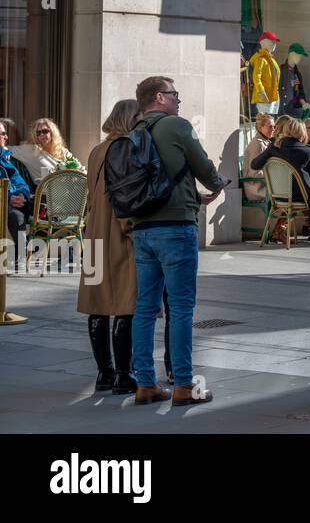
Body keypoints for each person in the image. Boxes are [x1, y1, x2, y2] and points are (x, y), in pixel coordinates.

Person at [131, 75, 228, 406]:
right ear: (159, 97)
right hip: (176, 229)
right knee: (182, 307)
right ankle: (184, 384)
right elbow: (203, 167)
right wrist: (216, 185)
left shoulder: (135, 131)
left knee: (144, 308)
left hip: (142, 227)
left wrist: (191, 194)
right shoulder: (176, 126)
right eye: (175, 94)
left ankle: (145, 384)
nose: (178, 100)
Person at [78, 100, 142, 394]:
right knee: (124, 306)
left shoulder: (96, 151)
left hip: (93, 236)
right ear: (130, 119)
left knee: (97, 307)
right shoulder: (126, 149)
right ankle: (124, 375)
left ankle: (104, 374)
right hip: (118, 234)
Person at [251, 117, 310, 244]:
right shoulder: (307, 151)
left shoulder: (273, 148)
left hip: (277, 195)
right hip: (301, 196)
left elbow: (254, 165)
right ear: (301, 132)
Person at [1, 118, 35, 271]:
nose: (6, 137)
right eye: (2, 134)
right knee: (16, 216)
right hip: (3, 202)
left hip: (15, 201)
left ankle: (67, 249)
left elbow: (21, 183)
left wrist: (23, 196)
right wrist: (9, 198)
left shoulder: (7, 158)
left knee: (45, 208)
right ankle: (23, 255)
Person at [11, 117, 80, 182]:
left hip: (67, 191)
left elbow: (78, 169)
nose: (41, 135)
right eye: (38, 133)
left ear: (52, 132)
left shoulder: (63, 151)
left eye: (45, 131)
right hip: (44, 192)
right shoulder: (31, 150)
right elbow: (6, 149)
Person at [242, 113, 275, 203]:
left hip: (264, 184)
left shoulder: (266, 141)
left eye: (274, 127)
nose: (273, 129)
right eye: (270, 127)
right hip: (257, 188)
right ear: (260, 128)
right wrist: (274, 176)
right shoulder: (257, 144)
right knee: (286, 193)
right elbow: (254, 173)